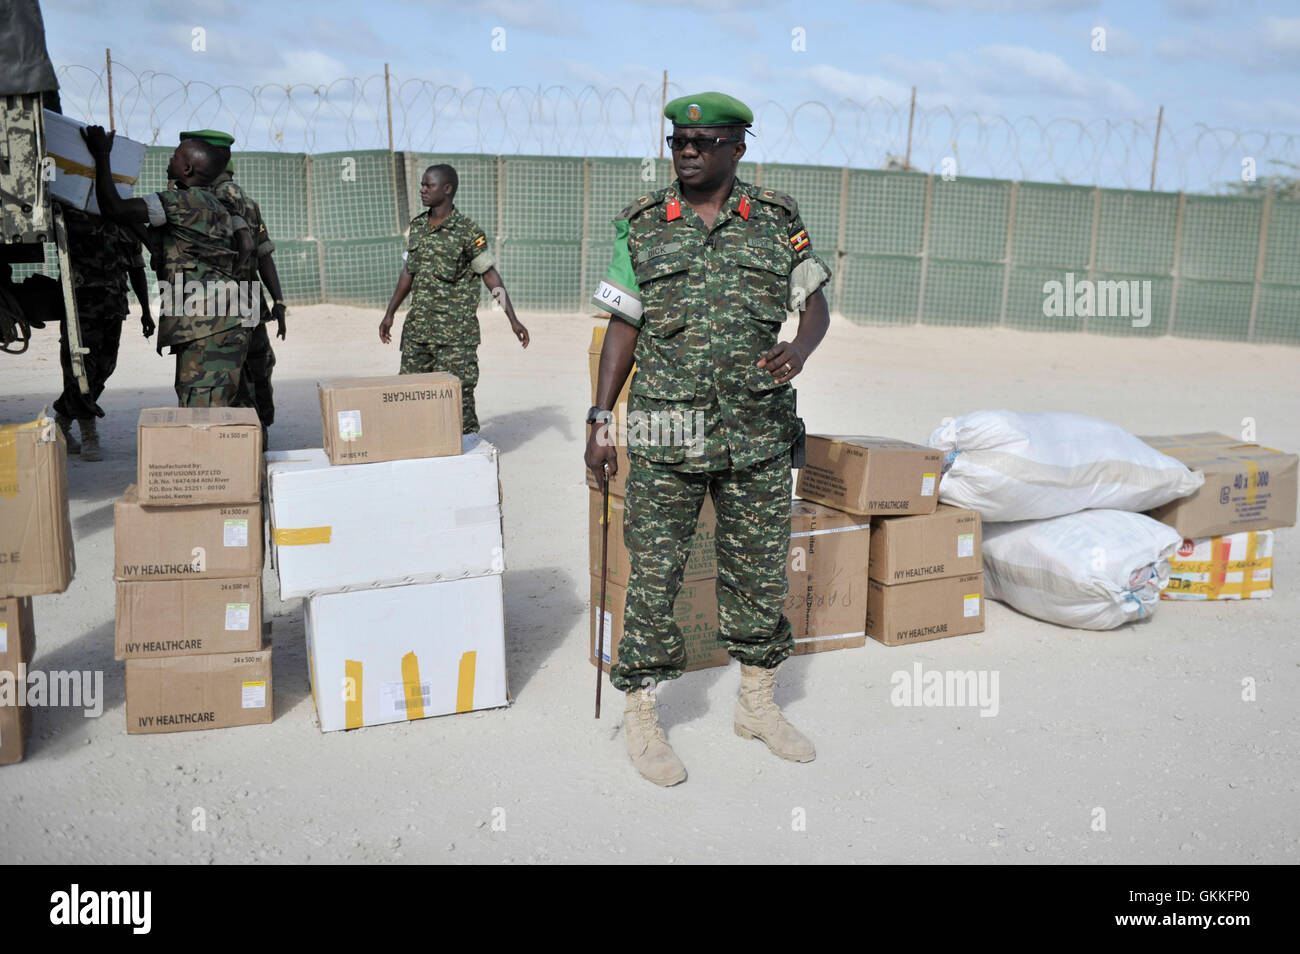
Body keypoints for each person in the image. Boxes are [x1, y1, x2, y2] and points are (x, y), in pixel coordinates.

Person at [585, 92, 832, 786]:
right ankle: (641, 712)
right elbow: (621, 331)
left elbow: (814, 303)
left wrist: (802, 350)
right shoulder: (642, 226)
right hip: (668, 433)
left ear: (737, 149)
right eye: (678, 141)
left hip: (755, 431)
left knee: (758, 576)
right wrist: (600, 420)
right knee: (654, 578)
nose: (687, 151)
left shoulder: (777, 220)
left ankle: (756, 704)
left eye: (703, 141)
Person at [81, 125, 247, 407]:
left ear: (188, 169)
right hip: (219, 324)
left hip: (207, 328)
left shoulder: (177, 202)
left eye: (175, 157)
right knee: (212, 408)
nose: (169, 160)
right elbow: (161, 240)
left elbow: (114, 209)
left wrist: (102, 156)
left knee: (203, 415)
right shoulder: (214, 205)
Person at [379, 164, 529, 434]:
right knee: (409, 396)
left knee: (458, 403)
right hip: (418, 332)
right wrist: (390, 313)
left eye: (429, 185)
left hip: (455, 338)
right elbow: (408, 272)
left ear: (447, 189)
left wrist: (513, 320)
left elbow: (490, 276)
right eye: (422, 185)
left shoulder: (468, 232)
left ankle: (468, 459)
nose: (422, 190)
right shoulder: (417, 228)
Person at [175, 130, 287, 442]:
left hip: (215, 303)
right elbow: (264, 255)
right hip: (249, 297)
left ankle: (236, 445)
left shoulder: (200, 202)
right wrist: (278, 302)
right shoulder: (249, 202)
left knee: (222, 377)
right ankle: (260, 432)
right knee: (256, 366)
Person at [51, 205, 154, 460]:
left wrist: (145, 310)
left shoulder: (124, 221)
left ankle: (60, 423)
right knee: (80, 369)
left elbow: (137, 269)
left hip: (113, 307)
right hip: (80, 308)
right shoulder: (72, 217)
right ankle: (89, 434)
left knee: (105, 368)